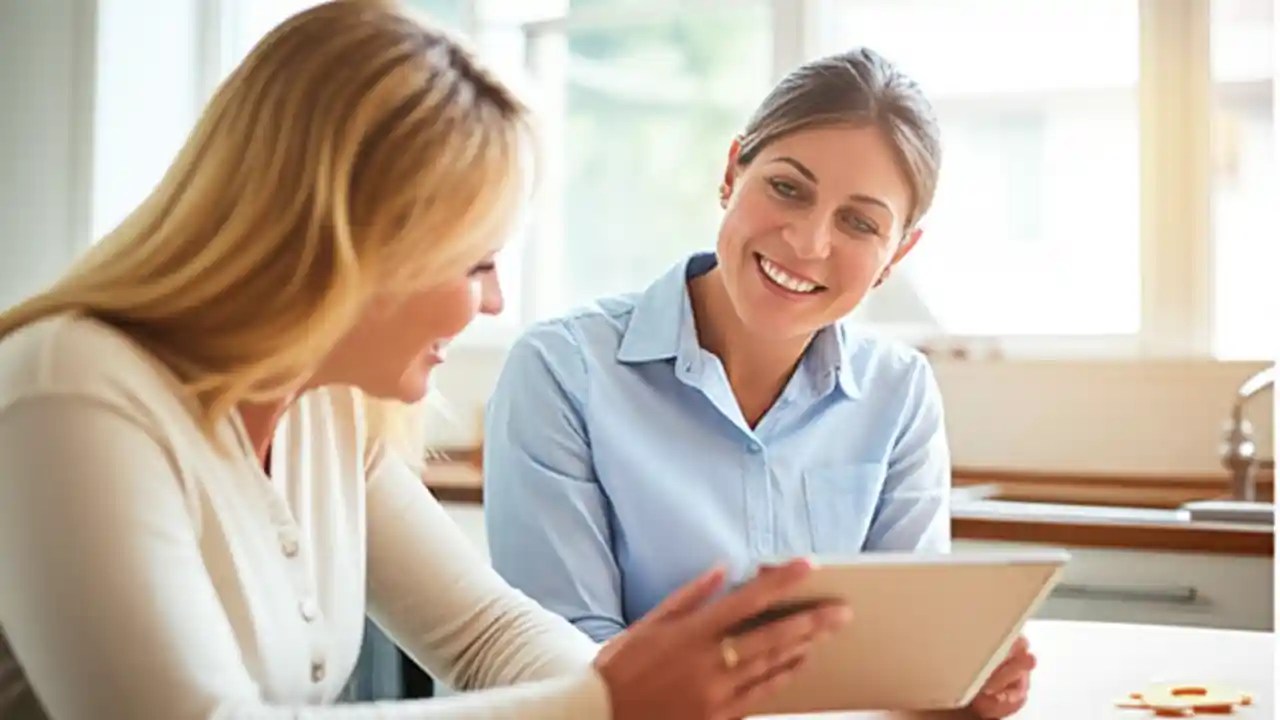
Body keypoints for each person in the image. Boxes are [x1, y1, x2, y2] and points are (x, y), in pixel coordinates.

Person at [0, 2, 854, 719]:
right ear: (354, 247)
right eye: (475, 261)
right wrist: (606, 703)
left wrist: (680, 683)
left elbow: (487, 634)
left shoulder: (323, 412)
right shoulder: (71, 390)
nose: (493, 303)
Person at [483, 47, 1035, 718]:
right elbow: (563, 667)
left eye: (859, 222)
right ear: (730, 173)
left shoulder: (899, 394)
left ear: (898, 254)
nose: (807, 242)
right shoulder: (562, 371)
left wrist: (956, 684)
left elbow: (897, 663)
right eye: (787, 187)